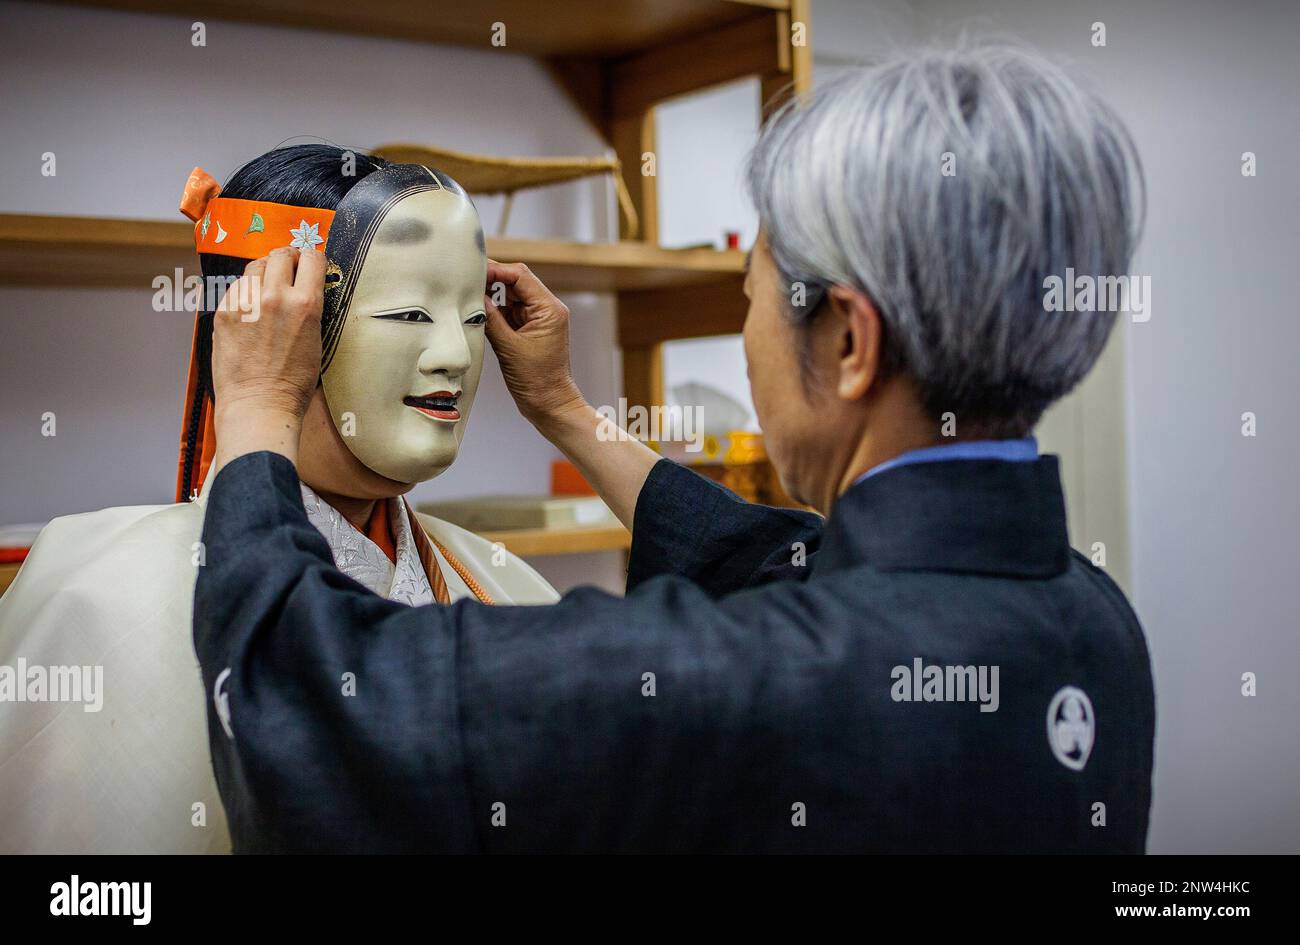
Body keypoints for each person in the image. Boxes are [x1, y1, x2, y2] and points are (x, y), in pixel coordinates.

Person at [193, 46, 1155, 853]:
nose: (452, 348)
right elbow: (773, 556)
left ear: (851, 344)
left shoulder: (738, 681)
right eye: (410, 310)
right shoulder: (1093, 615)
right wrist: (565, 408)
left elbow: (299, 702)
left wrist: (253, 406)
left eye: (749, 293)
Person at [0, 145, 555, 853]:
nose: (455, 353)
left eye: (473, 316)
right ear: (267, 323)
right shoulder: (103, 596)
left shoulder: (507, 584)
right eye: (412, 312)